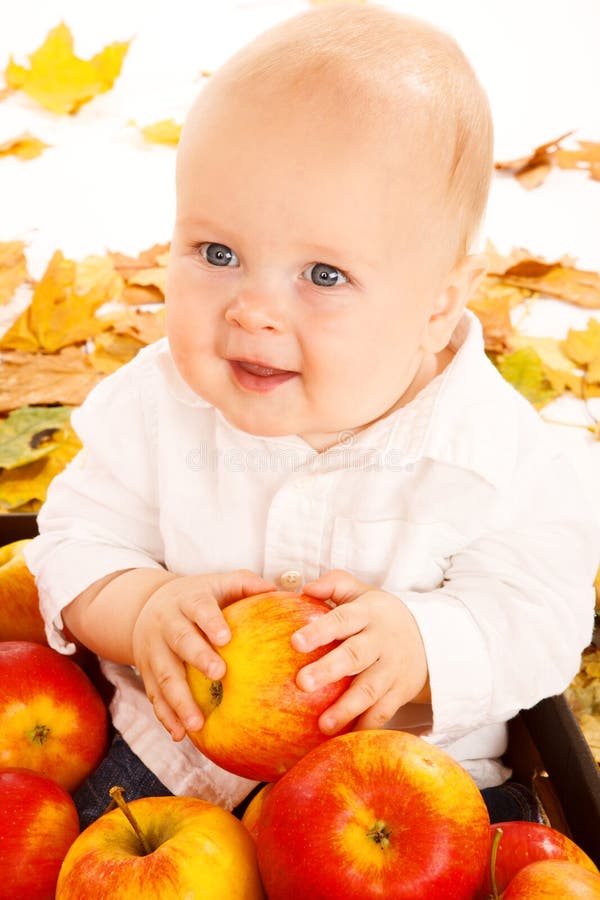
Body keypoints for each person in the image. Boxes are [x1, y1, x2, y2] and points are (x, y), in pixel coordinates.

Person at [25, 3, 598, 830]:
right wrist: (141, 605)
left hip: (416, 790)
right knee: (71, 855)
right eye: (217, 255)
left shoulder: (497, 456)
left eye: (323, 275)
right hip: (171, 760)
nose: (253, 311)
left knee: (496, 863)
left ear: (439, 305)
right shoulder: (157, 406)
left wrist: (423, 643)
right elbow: (74, 538)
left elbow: (543, 619)